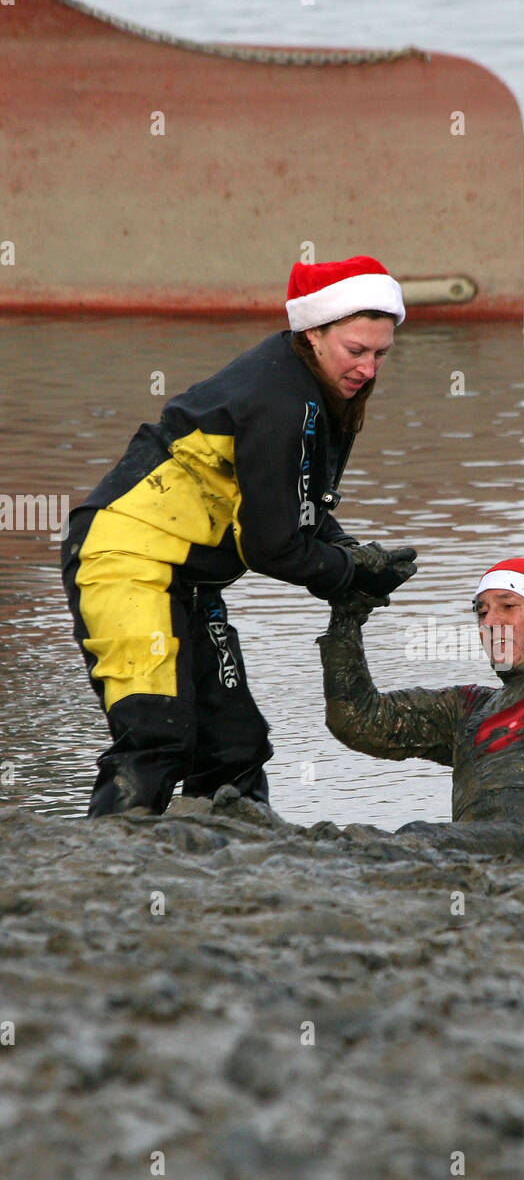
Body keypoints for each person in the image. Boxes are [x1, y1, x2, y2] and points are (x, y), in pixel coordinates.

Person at [62, 256, 417, 816]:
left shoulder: (309, 386)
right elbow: (273, 546)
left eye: (381, 354)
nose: (369, 369)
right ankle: (108, 873)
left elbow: (301, 508)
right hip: (124, 557)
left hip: (189, 577)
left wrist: (349, 552)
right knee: (157, 735)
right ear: (314, 332)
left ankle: (212, 878)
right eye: (357, 351)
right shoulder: (282, 399)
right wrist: (350, 573)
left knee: (236, 747)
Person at [316, 557, 524, 862]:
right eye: (481, 612)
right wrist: (347, 614)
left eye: (508, 606)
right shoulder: (467, 707)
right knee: (340, 838)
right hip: (472, 852)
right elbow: (359, 721)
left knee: (413, 840)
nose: (490, 622)